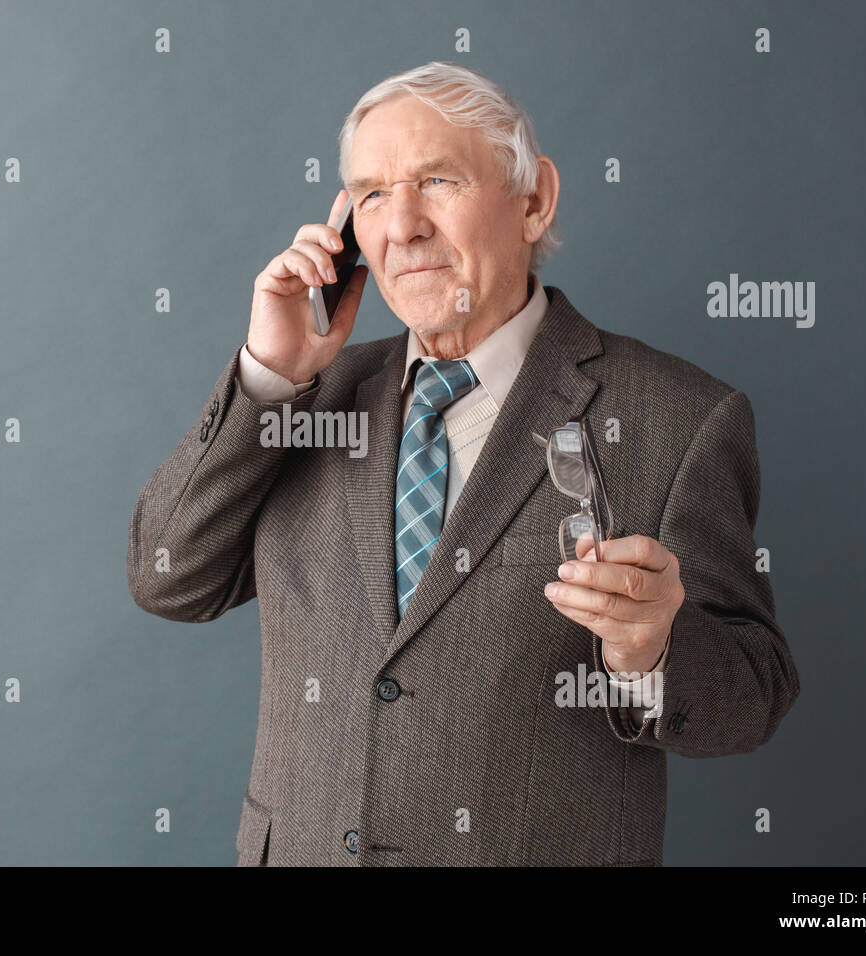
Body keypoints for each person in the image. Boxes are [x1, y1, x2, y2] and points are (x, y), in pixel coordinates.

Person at [127, 61, 800, 866]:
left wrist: (651, 650)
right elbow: (171, 580)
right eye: (371, 194)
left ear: (534, 199)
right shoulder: (306, 400)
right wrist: (268, 377)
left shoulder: (679, 418)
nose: (401, 226)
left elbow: (754, 695)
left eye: (437, 180)